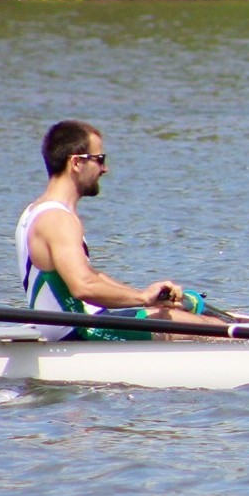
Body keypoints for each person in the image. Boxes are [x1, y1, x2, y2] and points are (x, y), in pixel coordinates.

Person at [15, 120, 223, 340]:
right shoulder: (57, 219)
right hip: (82, 333)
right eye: (100, 159)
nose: (105, 168)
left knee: (172, 313)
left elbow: (90, 276)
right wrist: (143, 297)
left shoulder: (34, 211)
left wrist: (146, 296)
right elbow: (83, 286)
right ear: (76, 163)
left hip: (72, 326)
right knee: (213, 328)